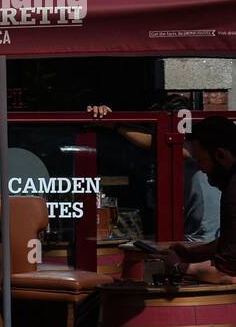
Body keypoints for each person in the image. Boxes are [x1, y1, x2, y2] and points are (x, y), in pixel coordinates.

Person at [87, 97, 222, 243]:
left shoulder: (195, 147)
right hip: (189, 237)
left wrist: (116, 125)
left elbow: (161, 141)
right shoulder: (178, 151)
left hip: (204, 241)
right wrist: (108, 118)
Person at [164, 116, 236, 284]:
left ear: (220, 155)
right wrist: (193, 253)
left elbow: (228, 275)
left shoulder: (233, 190)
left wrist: (179, 267)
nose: (199, 168)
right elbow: (230, 244)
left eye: (200, 160)